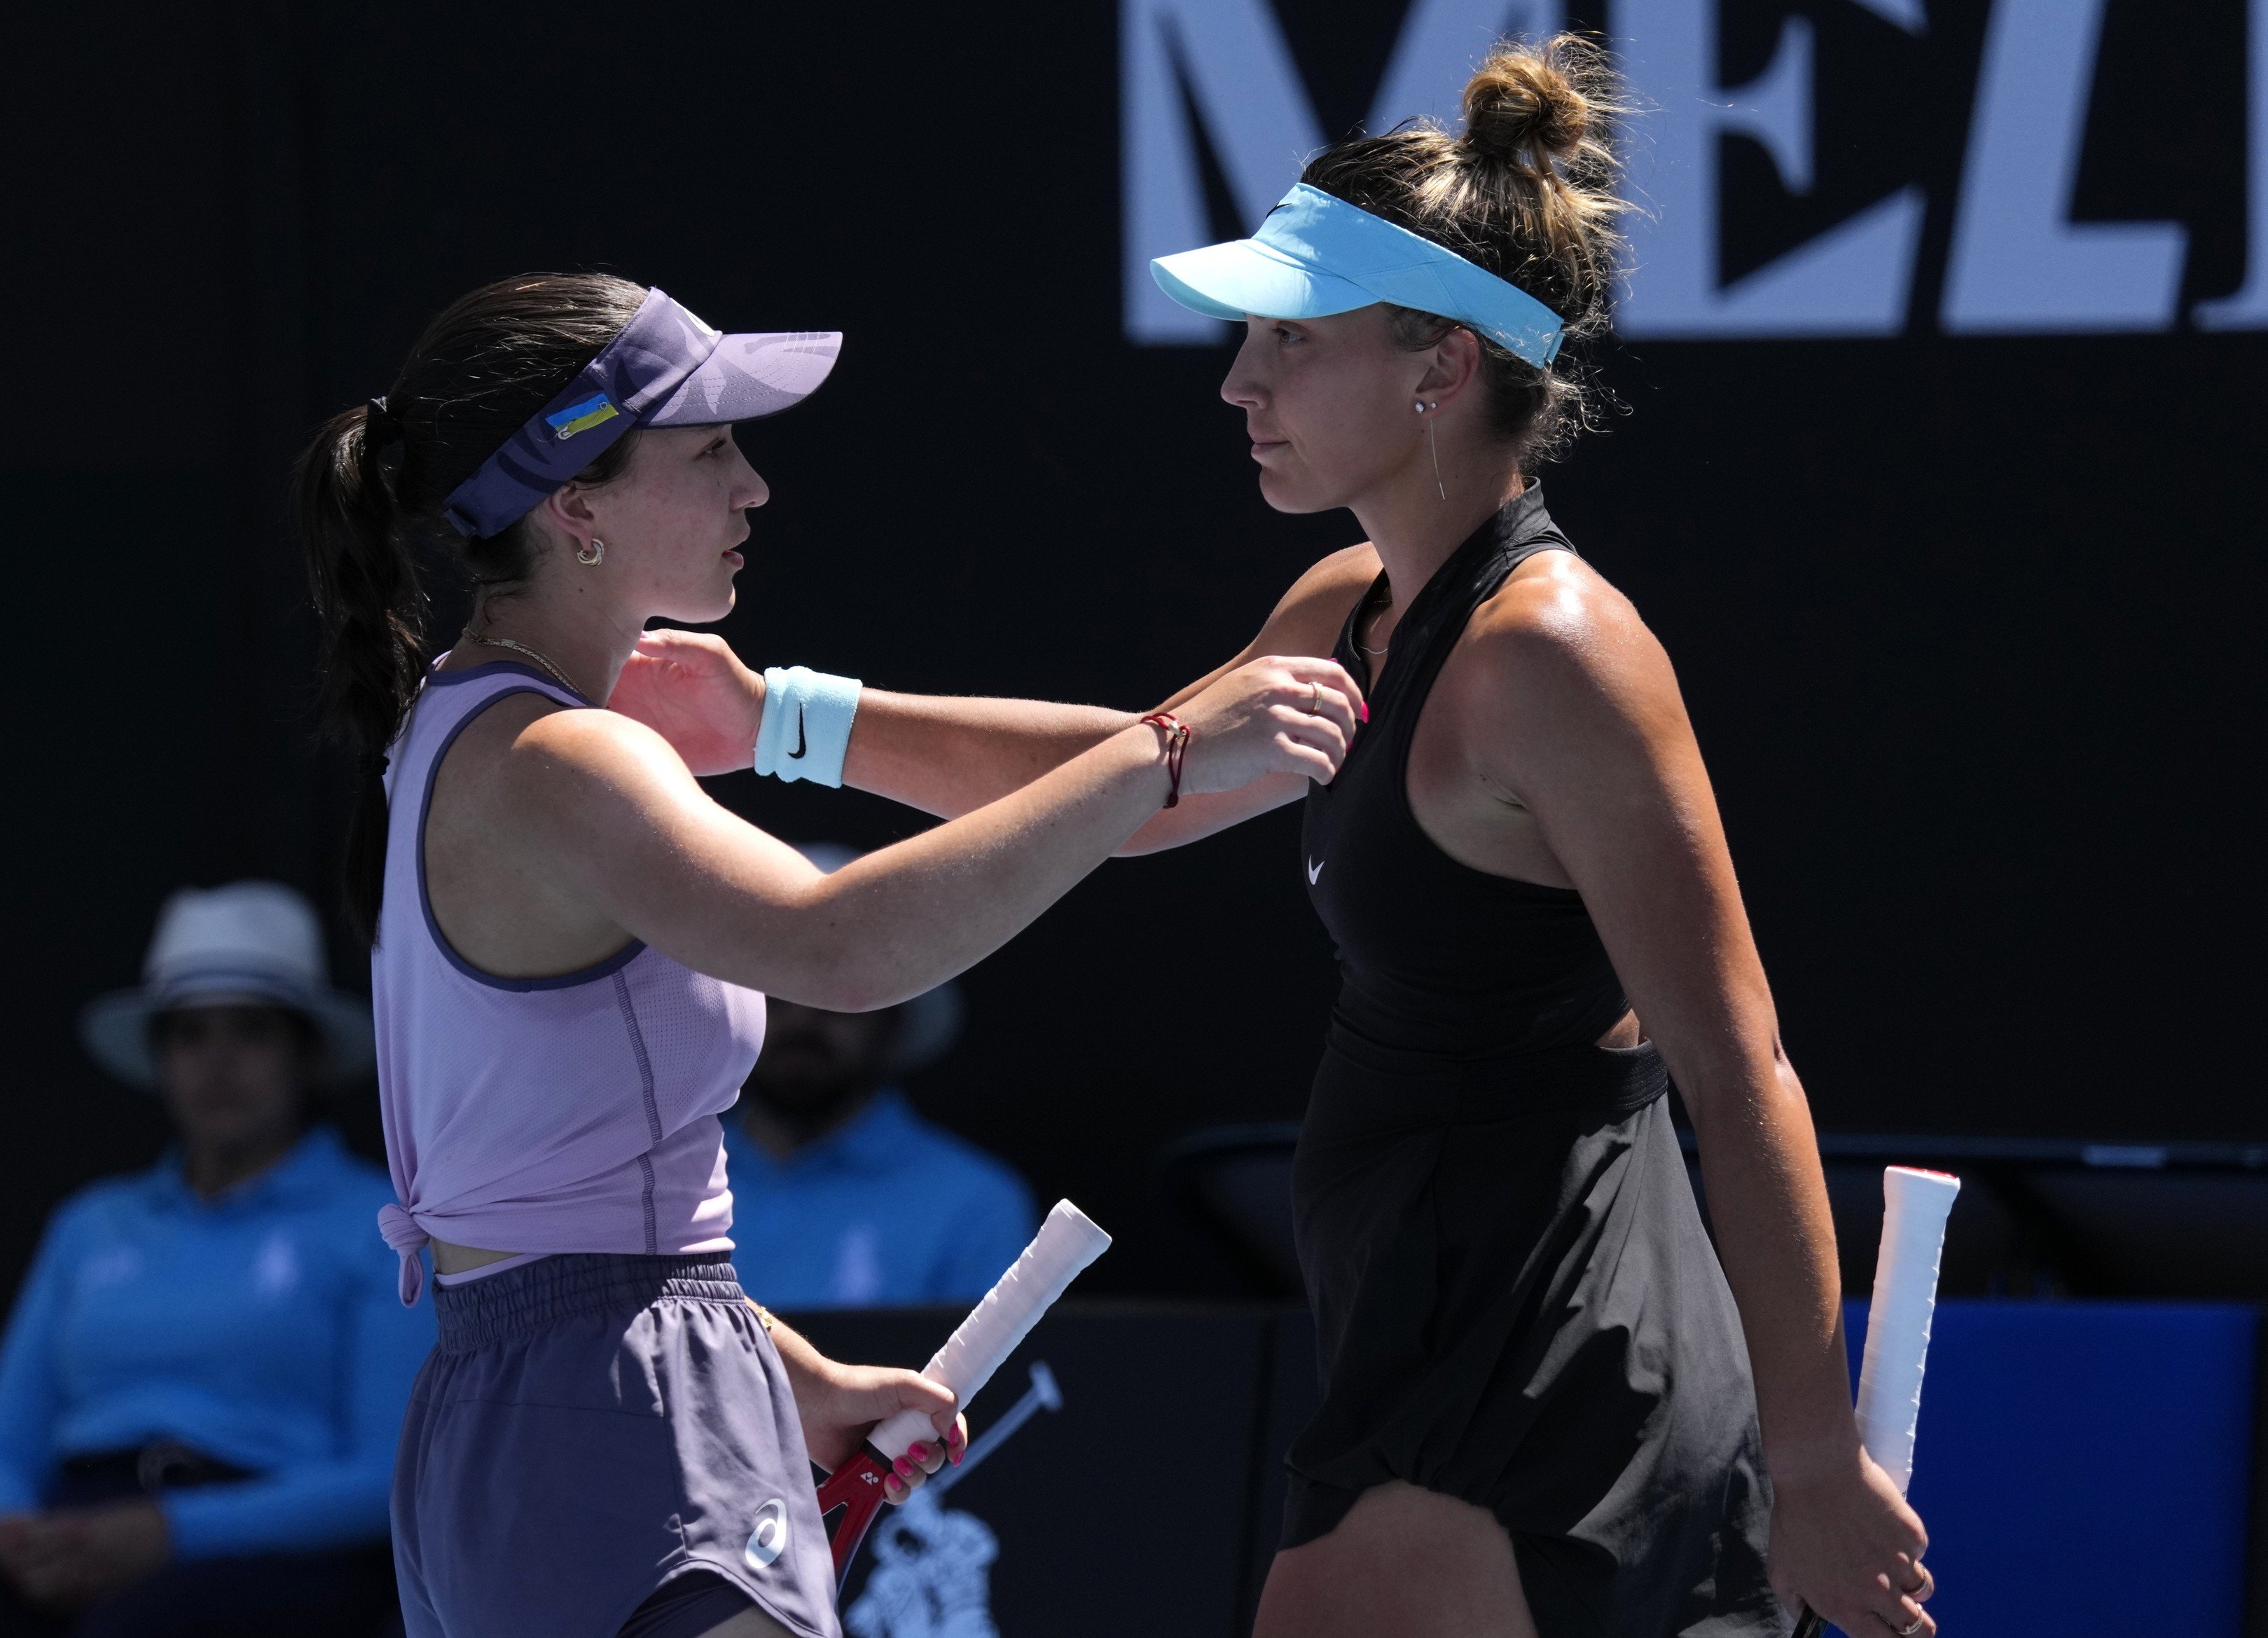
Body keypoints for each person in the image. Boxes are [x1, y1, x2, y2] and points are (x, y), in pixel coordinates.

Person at [618, 37, 1937, 1638]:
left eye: (1286, 341)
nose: (1239, 382)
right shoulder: (1350, 610)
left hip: (1555, 1355)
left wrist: (1812, 1463)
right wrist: (781, 719)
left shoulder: (1557, 655)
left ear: (1440, 366)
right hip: (1422, 1335)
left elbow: (1741, 1068)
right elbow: (1131, 785)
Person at [298, 274, 1360, 1638]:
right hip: (614, 1421)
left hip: (537, 1415)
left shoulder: (453, 727)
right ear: (576, 505)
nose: (754, 488)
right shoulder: (565, 756)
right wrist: (1160, 756)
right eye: (708, 452)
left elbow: (538, 1207)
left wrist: (775, 1371)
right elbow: (840, 945)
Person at [0, 881, 434, 1638]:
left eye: (251, 1031)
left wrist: (172, 1531)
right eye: (190, 1034)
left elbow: (387, 1478)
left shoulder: (375, 1222)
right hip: (68, 1536)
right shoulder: (91, 1223)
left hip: (265, 1551)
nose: (218, 1062)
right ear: (160, 1056)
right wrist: (4, 1531)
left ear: (304, 1053)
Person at [725, 845, 1036, 1311]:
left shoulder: (976, 1202)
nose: (803, 1022)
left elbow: (992, 1383)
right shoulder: (649, 1182)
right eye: (775, 994)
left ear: (896, 1021)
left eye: (837, 998)